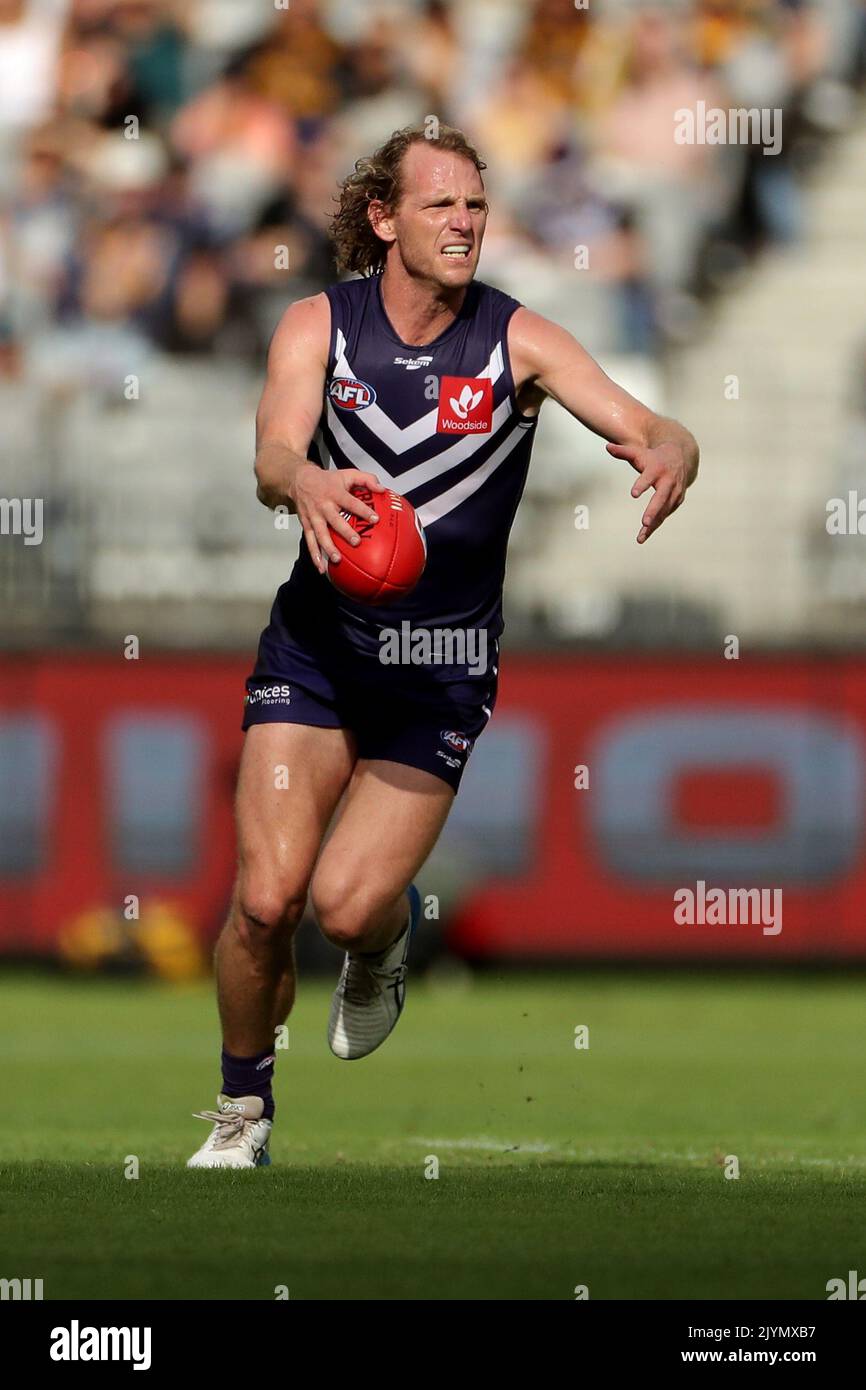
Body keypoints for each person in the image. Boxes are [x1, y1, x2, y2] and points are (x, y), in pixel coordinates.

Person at [187, 124, 698, 1168]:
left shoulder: (520, 341)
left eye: (473, 204)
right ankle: (243, 1115)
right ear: (384, 221)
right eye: (439, 205)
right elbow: (273, 448)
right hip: (317, 652)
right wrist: (302, 480)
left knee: (343, 903)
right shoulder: (315, 326)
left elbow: (645, 420)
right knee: (266, 898)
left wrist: (671, 444)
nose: (464, 222)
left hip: (437, 677)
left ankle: (379, 947)